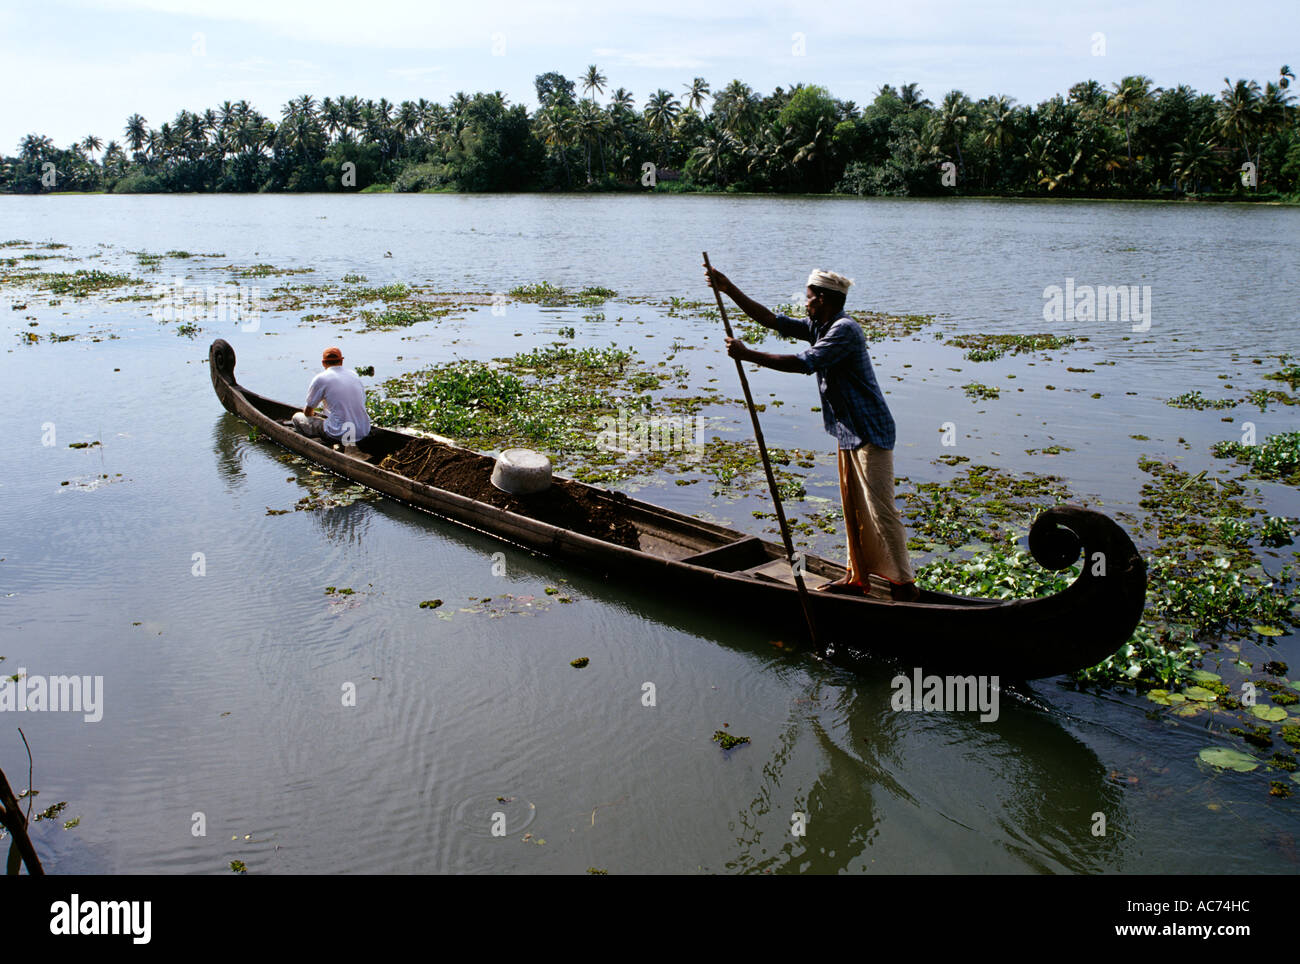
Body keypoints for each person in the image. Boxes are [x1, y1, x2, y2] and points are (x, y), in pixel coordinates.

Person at [704, 264, 919, 602]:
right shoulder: (821, 325)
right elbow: (773, 322)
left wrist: (748, 355)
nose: (804, 304)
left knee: (880, 510)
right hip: (849, 431)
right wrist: (729, 289)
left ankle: (904, 587)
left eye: (807, 298)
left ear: (821, 299)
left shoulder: (844, 330)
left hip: (871, 431)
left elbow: (804, 363)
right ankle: (858, 577)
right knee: (853, 508)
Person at [292, 346, 371, 448]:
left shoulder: (320, 378)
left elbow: (308, 412)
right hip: (363, 430)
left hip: (340, 433)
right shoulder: (354, 375)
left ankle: (316, 445)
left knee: (296, 417)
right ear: (341, 361)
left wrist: (313, 416)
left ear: (323, 363)